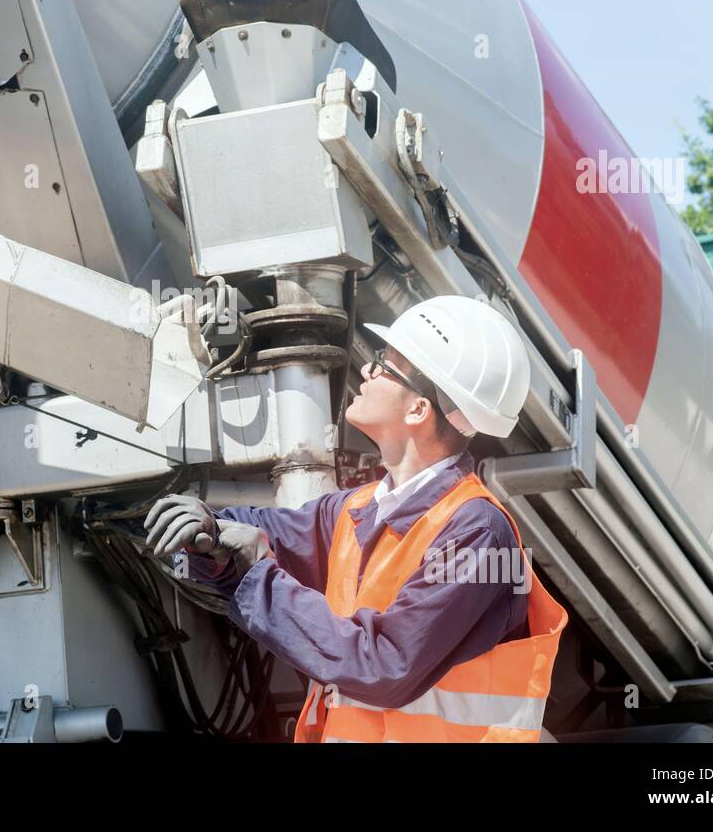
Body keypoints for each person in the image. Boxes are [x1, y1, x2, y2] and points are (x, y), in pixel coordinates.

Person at [144, 295, 568, 742]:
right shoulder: (355, 510)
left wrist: (257, 572)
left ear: (418, 410)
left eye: (385, 364)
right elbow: (271, 534)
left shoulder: (476, 532)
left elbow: (387, 664)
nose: (367, 369)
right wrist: (207, 528)